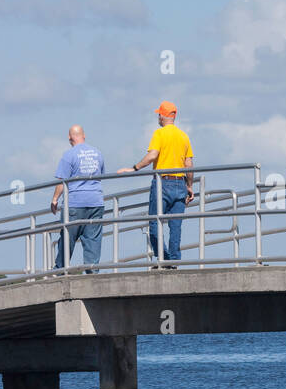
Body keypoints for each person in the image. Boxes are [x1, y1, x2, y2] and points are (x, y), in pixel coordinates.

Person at [118, 101, 194, 266]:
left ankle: (163, 259)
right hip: (180, 183)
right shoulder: (183, 136)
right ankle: (173, 261)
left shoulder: (159, 134)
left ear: (163, 116)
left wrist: (134, 168)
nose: (158, 117)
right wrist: (189, 186)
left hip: (162, 183)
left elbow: (152, 155)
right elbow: (189, 164)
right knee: (175, 226)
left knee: (154, 223)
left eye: (159, 114)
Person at [50, 124, 106, 271]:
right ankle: (92, 271)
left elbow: (62, 182)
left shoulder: (69, 155)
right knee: (93, 240)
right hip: (96, 201)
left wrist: (55, 199)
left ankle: (60, 270)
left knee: (67, 238)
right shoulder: (97, 153)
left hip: (75, 203)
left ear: (70, 138)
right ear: (84, 135)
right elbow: (100, 177)